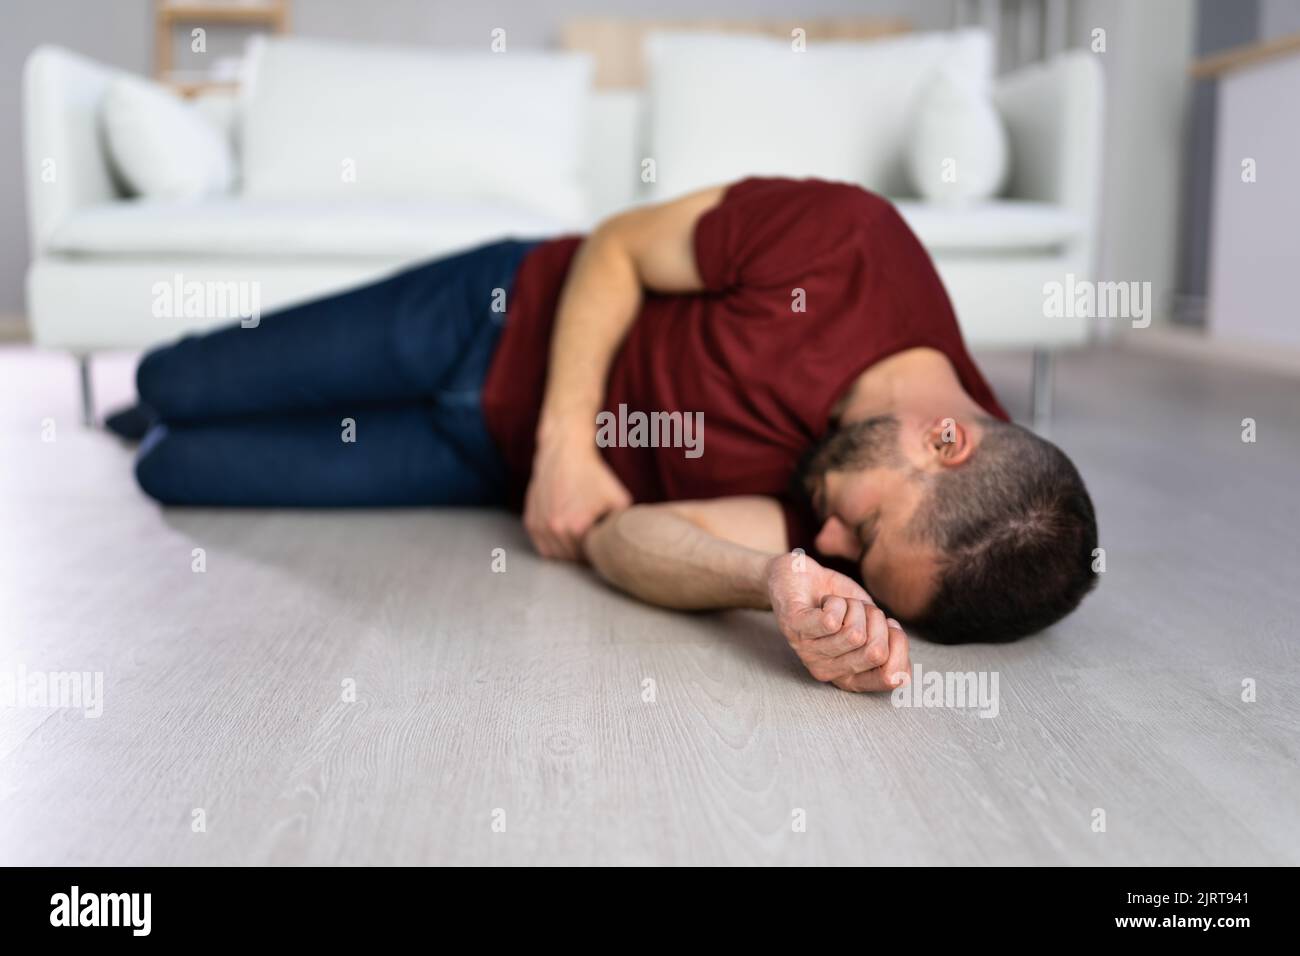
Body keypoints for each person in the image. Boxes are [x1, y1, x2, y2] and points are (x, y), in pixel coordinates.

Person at [115, 178, 1099, 692]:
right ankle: (161, 396)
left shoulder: (842, 534)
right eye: (864, 531)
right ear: (944, 441)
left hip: (481, 461)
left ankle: (161, 427)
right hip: (490, 315)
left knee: (176, 468)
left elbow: (618, 539)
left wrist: (772, 584)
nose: (830, 541)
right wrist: (565, 444)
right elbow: (618, 246)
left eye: (853, 564)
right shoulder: (851, 242)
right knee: (170, 381)